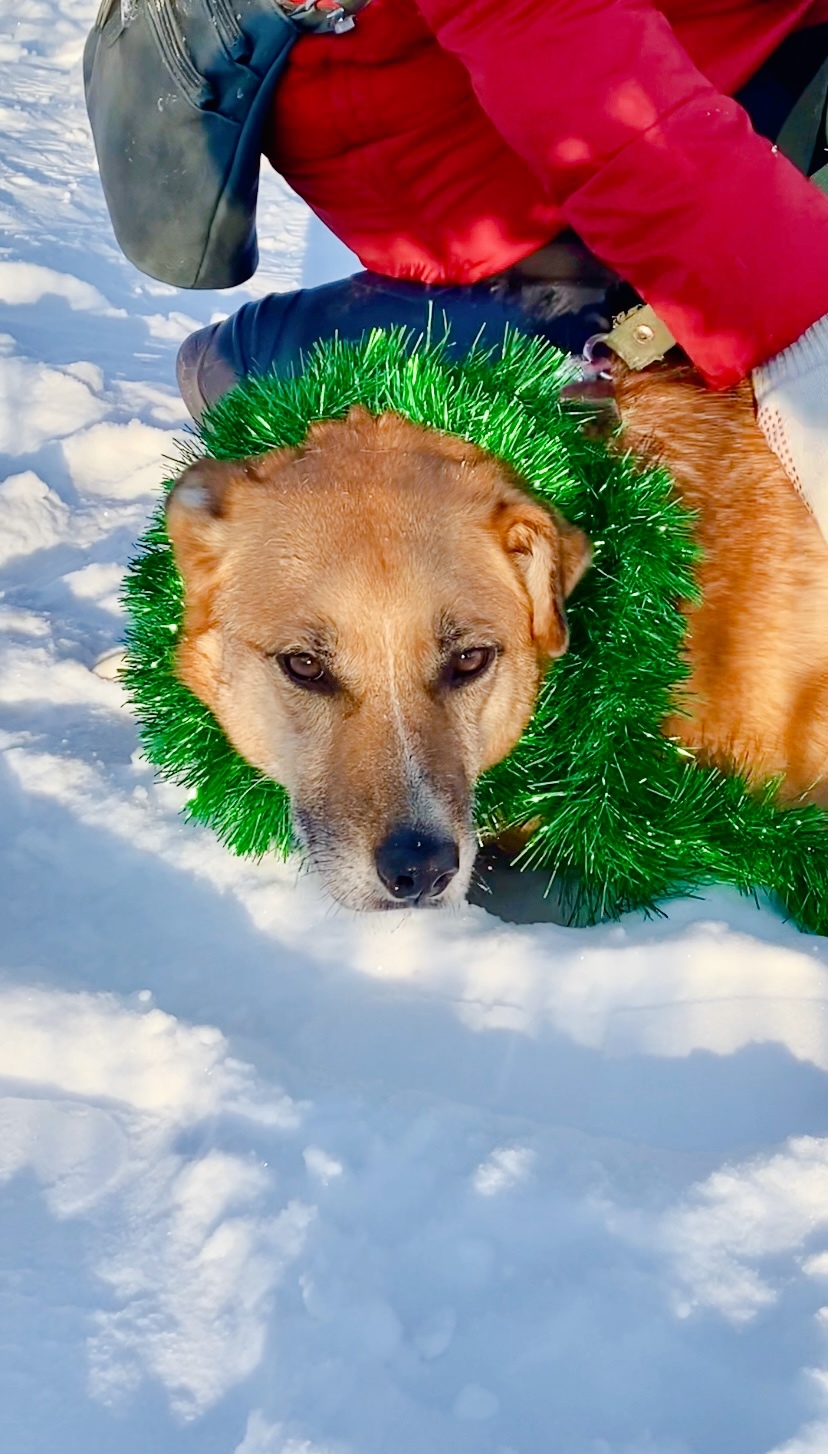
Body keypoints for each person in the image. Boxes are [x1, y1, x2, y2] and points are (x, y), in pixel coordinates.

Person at [177, 0, 828, 534]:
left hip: (721, 52)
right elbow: (560, 46)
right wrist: (797, 329)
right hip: (510, 181)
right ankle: (289, 361)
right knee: (616, 354)